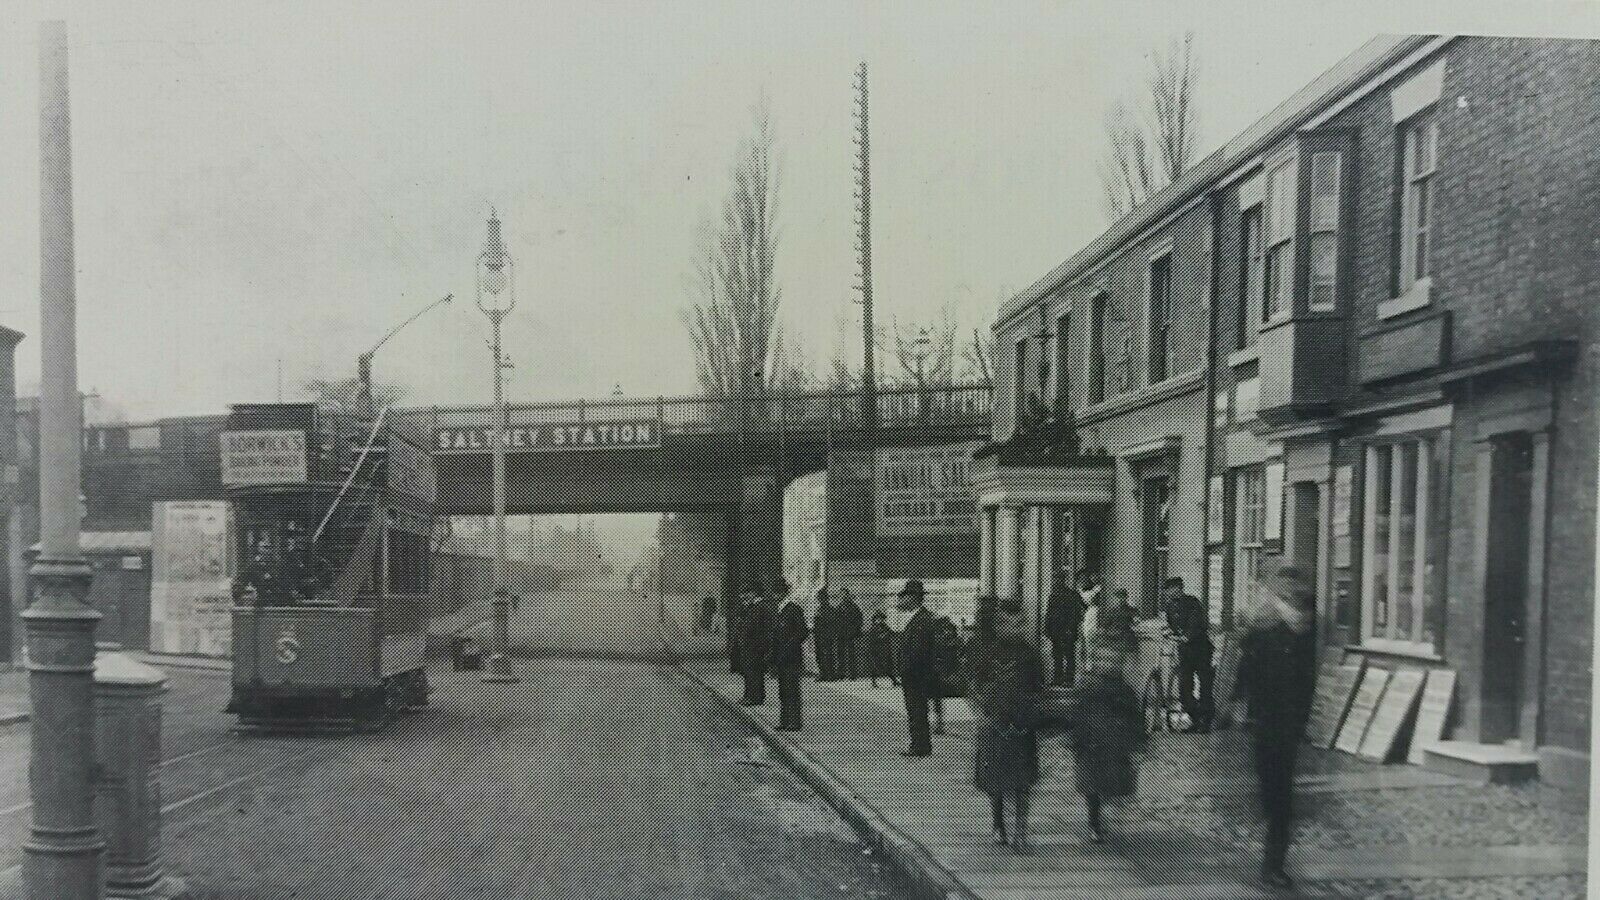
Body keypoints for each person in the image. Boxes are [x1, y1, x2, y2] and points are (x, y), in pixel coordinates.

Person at [1225, 564, 1317, 891]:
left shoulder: (1304, 631)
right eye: (1292, 597)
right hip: (1268, 723)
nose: (1300, 604)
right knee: (1277, 798)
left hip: (1286, 725)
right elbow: (1248, 671)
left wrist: (1303, 720)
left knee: (1281, 801)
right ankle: (1272, 863)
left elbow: (1307, 680)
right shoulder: (1265, 632)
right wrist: (1240, 706)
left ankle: (1273, 863)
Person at [965, 594, 1044, 851]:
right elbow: (974, 686)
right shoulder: (987, 653)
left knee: (1022, 781)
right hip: (995, 723)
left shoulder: (1031, 656)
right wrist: (980, 713)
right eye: (1009, 623)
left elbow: (1039, 689)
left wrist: (1035, 713)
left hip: (1021, 725)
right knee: (995, 780)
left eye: (1020, 623)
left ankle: (1021, 831)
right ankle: (998, 823)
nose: (1015, 629)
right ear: (999, 625)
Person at [1063, 631, 1146, 844]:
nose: (1109, 665)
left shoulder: (1125, 690)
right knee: (1092, 786)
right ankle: (1094, 821)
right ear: (1096, 661)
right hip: (1092, 745)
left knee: (1113, 783)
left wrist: (1139, 740)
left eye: (1114, 660)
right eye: (1104, 659)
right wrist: (1074, 736)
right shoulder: (1088, 687)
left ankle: (1103, 813)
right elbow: (1077, 714)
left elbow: (1135, 716)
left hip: (1115, 746)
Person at [1163, 576, 1215, 733]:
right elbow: (1172, 624)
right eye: (1167, 590)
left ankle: (1205, 721)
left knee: (1205, 686)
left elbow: (1198, 622)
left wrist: (1188, 635)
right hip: (1184, 652)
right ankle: (1195, 718)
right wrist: (1169, 632)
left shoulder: (1192, 602)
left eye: (1170, 589)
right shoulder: (1170, 606)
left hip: (1200, 650)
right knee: (1184, 688)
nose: (1168, 593)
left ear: (1178, 589)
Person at [896, 580, 937, 756]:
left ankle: (919, 746)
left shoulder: (922, 620)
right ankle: (920, 744)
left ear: (913, 598)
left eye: (904, 596)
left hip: (916, 674)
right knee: (916, 709)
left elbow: (918, 650)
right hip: (915, 673)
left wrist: (908, 669)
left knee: (917, 709)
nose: (901, 600)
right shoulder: (919, 618)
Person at [770, 578, 810, 731]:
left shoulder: (793, 609)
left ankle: (794, 721)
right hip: (781, 657)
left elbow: (803, 631)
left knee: (792, 689)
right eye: (775, 593)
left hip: (792, 657)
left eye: (778, 592)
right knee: (783, 690)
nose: (775, 595)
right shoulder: (780, 610)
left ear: (784, 592)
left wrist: (791, 645)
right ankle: (785, 720)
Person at [1044, 570, 1086, 686]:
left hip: (1068, 630)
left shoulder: (1071, 595)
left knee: (1069, 654)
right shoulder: (1053, 595)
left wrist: (1071, 628)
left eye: (1058, 579)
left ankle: (1069, 679)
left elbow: (1077, 613)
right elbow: (1049, 613)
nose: (1056, 582)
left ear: (1063, 580)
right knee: (1057, 655)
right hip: (1056, 630)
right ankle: (1058, 678)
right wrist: (1046, 628)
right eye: (1054, 580)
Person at [739, 583, 773, 706]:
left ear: (753, 593)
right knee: (749, 672)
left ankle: (756, 697)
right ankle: (749, 695)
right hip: (750, 646)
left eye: (747, 594)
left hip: (756, 647)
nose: (744, 598)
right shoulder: (752, 607)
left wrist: (762, 647)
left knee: (755, 673)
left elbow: (765, 629)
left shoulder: (762, 608)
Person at [931, 613, 963, 735]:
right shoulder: (943, 636)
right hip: (943, 669)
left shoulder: (939, 635)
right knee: (937, 697)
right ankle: (939, 723)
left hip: (943, 669)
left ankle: (939, 724)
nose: (947, 632)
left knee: (937, 697)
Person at [835, 587, 864, 680]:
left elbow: (859, 619)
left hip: (850, 634)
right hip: (841, 634)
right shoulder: (838, 608)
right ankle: (841, 673)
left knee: (851, 654)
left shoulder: (854, 607)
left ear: (847, 595)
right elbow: (836, 621)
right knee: (840, 654)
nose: (843, 597)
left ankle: (852, 674)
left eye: (844, 594)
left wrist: (855, 630)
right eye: (841, 595)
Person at [812, 588, 838, 681]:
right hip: (819, 636)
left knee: (827, 655)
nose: (819, 600)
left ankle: (829, 674)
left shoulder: (830, 610)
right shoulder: (819, 609)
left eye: (821, 598)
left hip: (826, 637)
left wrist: (828, 635)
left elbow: (831, 624)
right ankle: (823, 673)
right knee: (820, 655)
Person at [867, 609, 896, 687]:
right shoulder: (873, 628)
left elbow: (891, 633)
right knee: (876, 666)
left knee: (888, 666)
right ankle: (873, 681)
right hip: (876, 650)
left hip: (885, 650)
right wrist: (883, 636)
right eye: (878, 619)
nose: (880, 620)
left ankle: (894, 680)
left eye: (881, 619)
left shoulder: (885, 627)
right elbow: (872, 639)